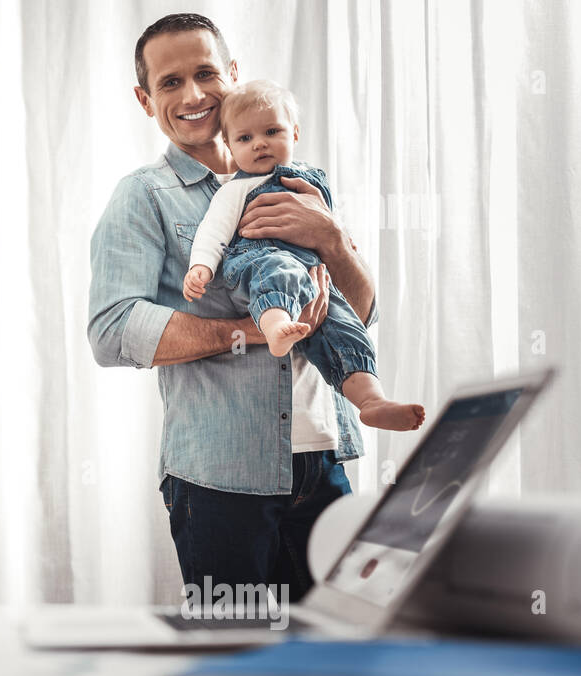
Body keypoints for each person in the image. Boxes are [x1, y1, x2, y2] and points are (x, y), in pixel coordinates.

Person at [86, 13, 378, 601]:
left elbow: (360, 317)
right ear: (146, 100)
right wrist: (248, 329)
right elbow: (112, 330)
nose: (193, 95)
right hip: (220, 479)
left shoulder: (302, 180)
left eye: (205, 73)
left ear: (233, 74)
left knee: (338, 649)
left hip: (322, 459)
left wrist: (333, 240)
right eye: (170, 83)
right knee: (235, 655)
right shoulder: (144, 196)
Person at [182, 79, 425, 432]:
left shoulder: (313, 181)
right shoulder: (236, 188)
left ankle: (372, 399)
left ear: (294, 134)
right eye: (245, 139)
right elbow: (214, 230)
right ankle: (277, 325)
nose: (260, 143)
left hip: (315, 277)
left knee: (344, 325)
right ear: (230, 149)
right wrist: (201, 266)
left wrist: (337, 237)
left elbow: (334, 232)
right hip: (259, 261)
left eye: (272, 131)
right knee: (280, 269)